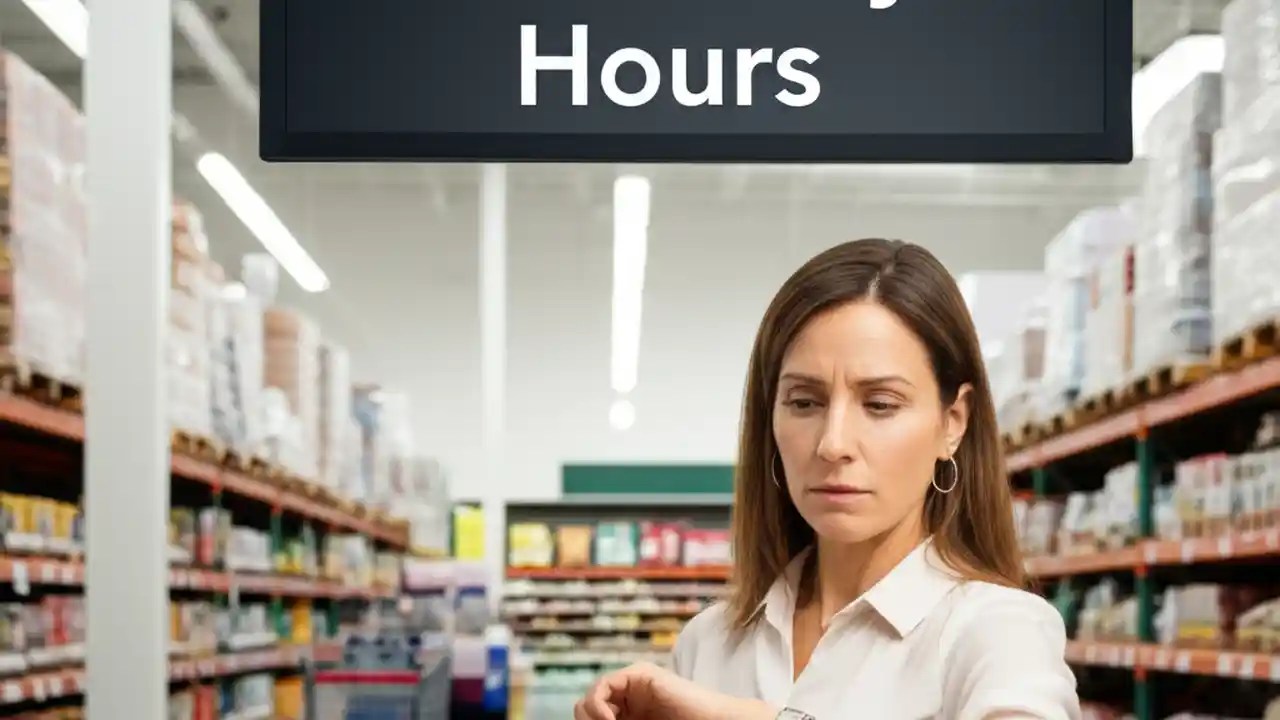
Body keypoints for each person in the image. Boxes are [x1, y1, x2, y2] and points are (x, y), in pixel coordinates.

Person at [574, 239, 1080, 720]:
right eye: (804, 403)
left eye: (880, 404)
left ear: (953, 422)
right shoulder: (708, 643)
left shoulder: (997, 631)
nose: (832, 443)